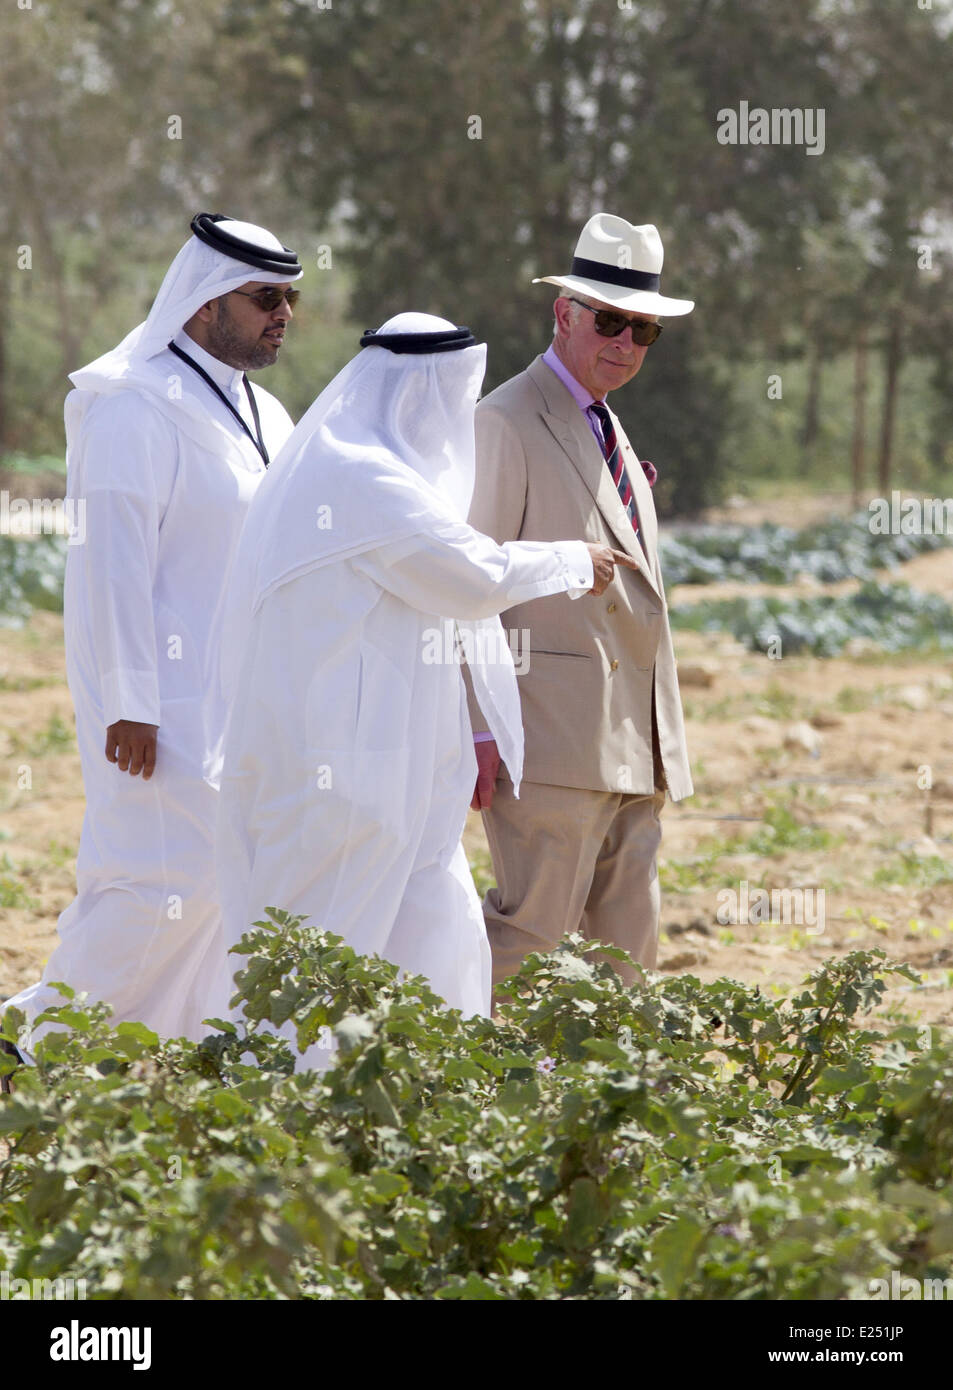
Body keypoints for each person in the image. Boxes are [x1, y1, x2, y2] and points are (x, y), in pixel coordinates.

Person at [209, 312, 636, 1059]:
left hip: (388, 768)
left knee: (431, 926)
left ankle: (427, 1090)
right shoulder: (360, 476)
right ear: (423, 394)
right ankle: (282, 1116)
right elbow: (471, 578)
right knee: (323, 950)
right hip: (341, 774)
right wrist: (572, 560)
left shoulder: (361, 468)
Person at [3, 213, 303, 1075]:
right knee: (153, 884)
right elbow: (112, 569)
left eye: (288, 298)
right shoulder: (131, 407)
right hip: (155, 709)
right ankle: (37, 1037)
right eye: (263, 298)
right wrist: (130, 704)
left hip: (240, 700)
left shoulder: (267, 410)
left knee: (219, 886)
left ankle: (145, 1047)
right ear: (206, 302)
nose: (280, 314)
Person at [466, 213, 694, 991]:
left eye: (643, 331)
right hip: (546, 738)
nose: (625, 344)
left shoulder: (608, 427)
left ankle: (609, 1109)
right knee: (529, 938)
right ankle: (467, 1095)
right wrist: (473, 729)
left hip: (637, 740)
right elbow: (470, 585)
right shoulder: (503, 422)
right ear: (563, 314)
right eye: (610, 321)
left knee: (624, 955)